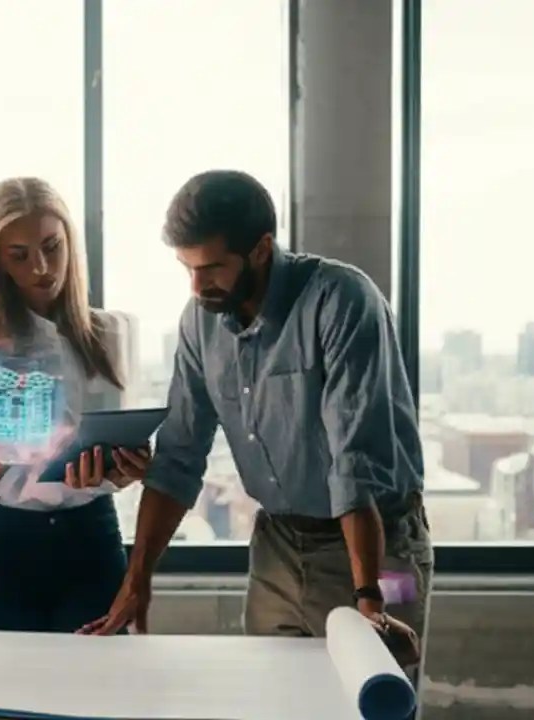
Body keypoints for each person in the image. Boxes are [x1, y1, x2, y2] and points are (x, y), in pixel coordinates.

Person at [82, 170, 433, 676]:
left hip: (378, 549)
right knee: (273, 699)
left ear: (262, 248)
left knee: (373, 702)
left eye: (212, 268)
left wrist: (369, 595)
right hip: (277, 547)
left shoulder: (342, 301)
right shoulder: (199, 321)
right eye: (187, 268)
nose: (198, 285)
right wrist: (137, 581)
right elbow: (179, 456)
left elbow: (354, 467)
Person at [0, 177, 152, 633]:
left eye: (53, 246)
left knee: (97, 694)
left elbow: (118, 453)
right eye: (20, 255)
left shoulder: (111, 333)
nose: (42, 267)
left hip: (89, 535)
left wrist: (125, 467)